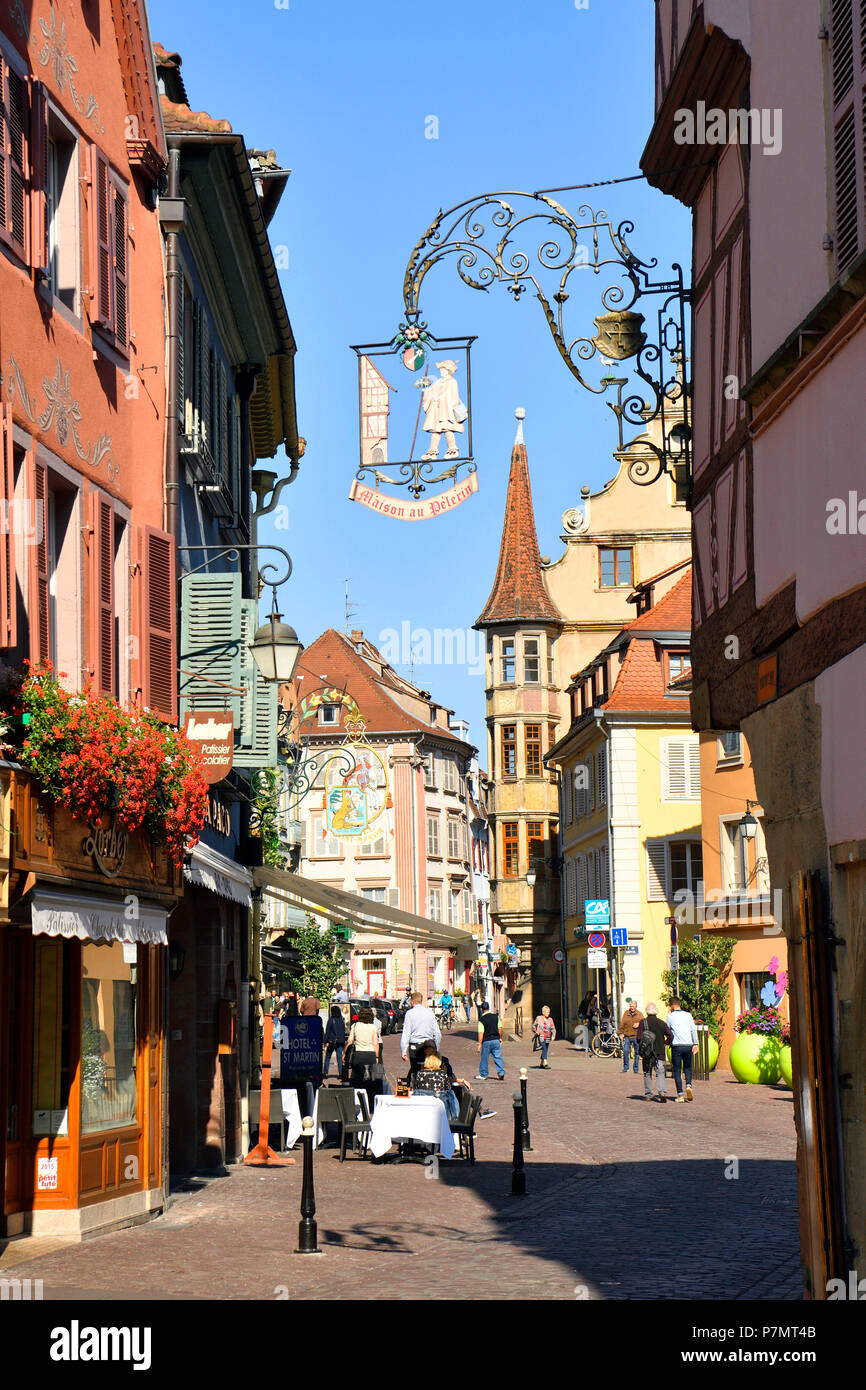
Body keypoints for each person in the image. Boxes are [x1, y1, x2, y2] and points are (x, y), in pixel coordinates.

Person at [636, 1003, 673, 1102]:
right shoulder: (662, 1023)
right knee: (660, 1073)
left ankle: (649, 1095)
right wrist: (665, 1043)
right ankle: (662, 1093)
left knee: (647, 1073)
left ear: (646, 1011)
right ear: (656, 1011)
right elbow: (670, 1035)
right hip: (660, 1052)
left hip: (648, 1053)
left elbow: (639, 1038)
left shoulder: (643, 1023)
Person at [666, 997, 699, 1102]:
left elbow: (668, 1031)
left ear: (672, 1005)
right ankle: (689, 1085)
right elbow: (693, 1029)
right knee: (688, 1068)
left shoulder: (670, 1016)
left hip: (677, 1045)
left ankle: (680, 1094)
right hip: (688, 1044)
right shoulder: (688, 1015)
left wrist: (667, 1041)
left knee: (677, 1070)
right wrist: (695, 1043)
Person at [411, 1050, 460, 1120]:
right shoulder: (442, 1074)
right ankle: (454, 1116)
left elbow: (416, 1088)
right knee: (451, 1093)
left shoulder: (420, 1073)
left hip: (424, 1107)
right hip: (439, 1108)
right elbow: (447, 1088)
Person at [400, 991, 441, 1073]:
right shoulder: (430, 1012)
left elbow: (406, 1033)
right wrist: (436, 1046)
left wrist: (404, 1051)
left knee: (415, 1070)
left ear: (412, 1001)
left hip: (415, 1045)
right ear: (421, 1001)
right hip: (429, 1045)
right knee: (429, 1069)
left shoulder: (409, 1013)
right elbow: (437, 1033)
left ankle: (415, 1084)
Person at [346, 1006, 380, 1099]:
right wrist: (377, 1057)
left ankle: (357, 1099)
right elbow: (375, 1044)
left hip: (358, 1054)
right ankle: (370, 1098)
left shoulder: (355, 1026)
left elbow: (350, 1041)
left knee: (357, 1077)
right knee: (371, 1079)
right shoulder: (373, 1027)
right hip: (371, 1054)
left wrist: (345, 1053)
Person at [475, 1005, 505, 1080]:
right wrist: (500, 1037)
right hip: (495, 1040)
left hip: (486, 1041)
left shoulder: (481, 1019)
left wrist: (479, 1044)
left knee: (484, 1058)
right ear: (488, 1008)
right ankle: (501, 1072)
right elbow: (500, 1028)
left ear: (482, 1009)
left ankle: (484, 1074)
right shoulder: (495, 1017)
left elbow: (481, 1033)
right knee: (498, 1057)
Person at [619, 999, 645, 1075]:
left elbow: (644, 1024)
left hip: (636, 1036)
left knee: (637, 1053)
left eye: (633, 1006)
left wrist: (639, 1024)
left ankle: (636, 1069)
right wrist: (621, 1033)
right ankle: (626, 1067)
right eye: (631, 1006)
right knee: (626, 1051)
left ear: (636, 1006)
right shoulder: (626, 1013)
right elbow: (622, 1024)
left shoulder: (640, 1014)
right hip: (627, 1036)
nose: (632, 1008)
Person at [323, 1006, 347, 1079]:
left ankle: (325, 1072)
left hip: (332, 1041)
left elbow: (327, 1032)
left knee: (328, 1057)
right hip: (340, 1041)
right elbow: (343, 1031)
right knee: (339, 1058)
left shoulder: (331, 1020)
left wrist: (325, 1041)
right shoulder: (342, 1020)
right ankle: (340, 1073)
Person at [532, 1004, 556, 1069]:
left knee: (545, 1050)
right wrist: (536, 1031)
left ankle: (541, 1063)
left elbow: (553, 1028)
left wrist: (553, 1035)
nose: (548, 1013)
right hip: (541, 1036)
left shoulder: (550, 1020)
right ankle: (545, 1062)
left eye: (549, 1012)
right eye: (547, 1012)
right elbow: (533, 1026)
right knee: (544, 1048)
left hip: (548, 1037)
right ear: (543, 1012)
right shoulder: (538, 1018)